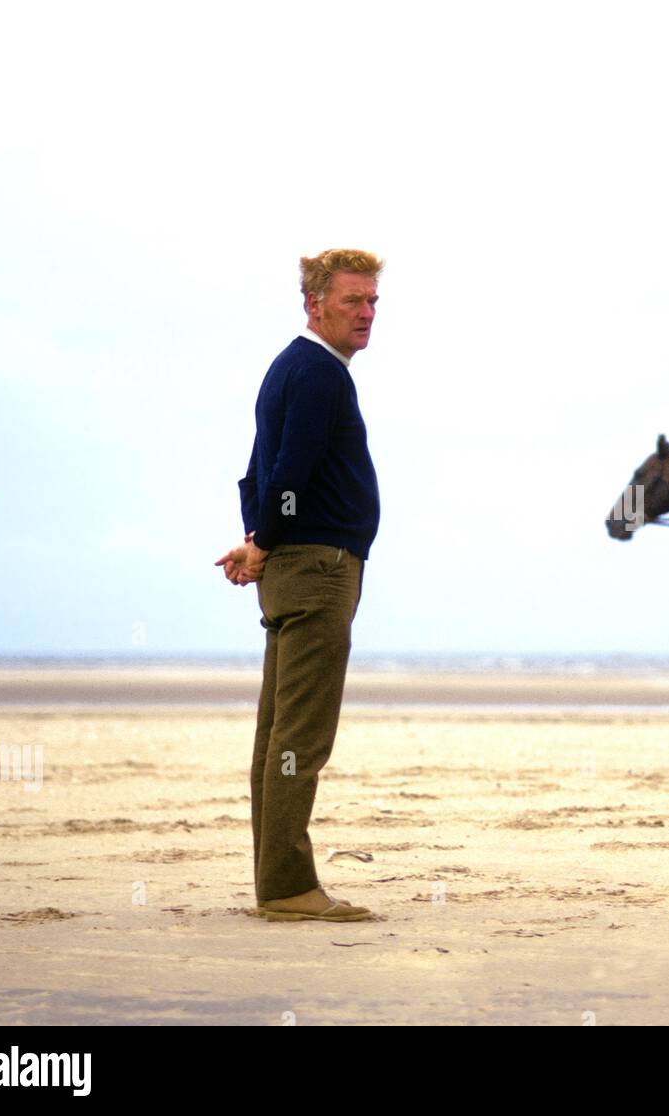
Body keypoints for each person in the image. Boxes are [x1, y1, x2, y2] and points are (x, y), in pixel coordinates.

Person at [215, 248, 384, 923]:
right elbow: (284, 476)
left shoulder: (292, 367)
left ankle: (276, 880)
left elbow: (258, 475)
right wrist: (262, 541)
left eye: (373, 302)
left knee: (276, 731)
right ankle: (287, 886)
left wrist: (258, 542)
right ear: (316, 304)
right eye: (353, 301)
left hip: (295, 568)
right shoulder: (316, 373)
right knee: (299, 738)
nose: (367, 314)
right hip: (317, 570)